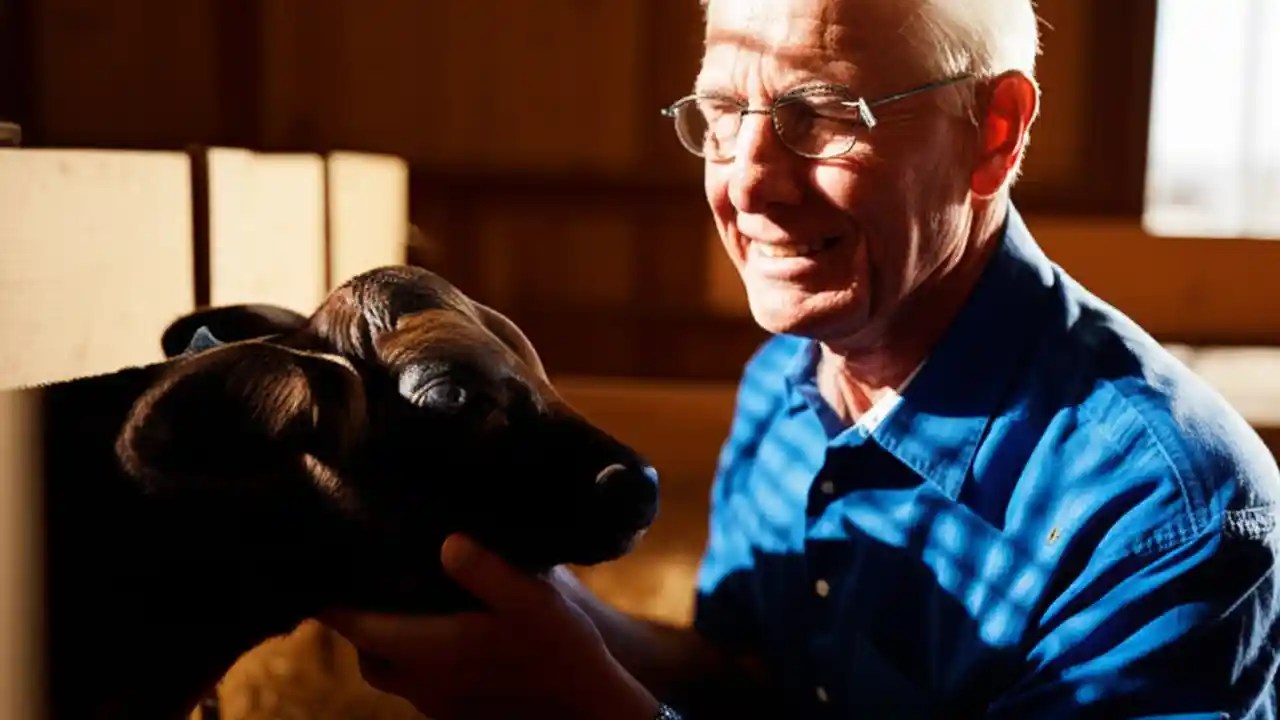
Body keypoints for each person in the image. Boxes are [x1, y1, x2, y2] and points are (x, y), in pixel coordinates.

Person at [324, 0, 1280, 717]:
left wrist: (589, 709)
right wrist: (540, 602)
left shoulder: (1168, 509)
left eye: (822, 112)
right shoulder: (790, 376)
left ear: (992, 135)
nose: (747, 180)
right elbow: (755, 685)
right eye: (722, 112)